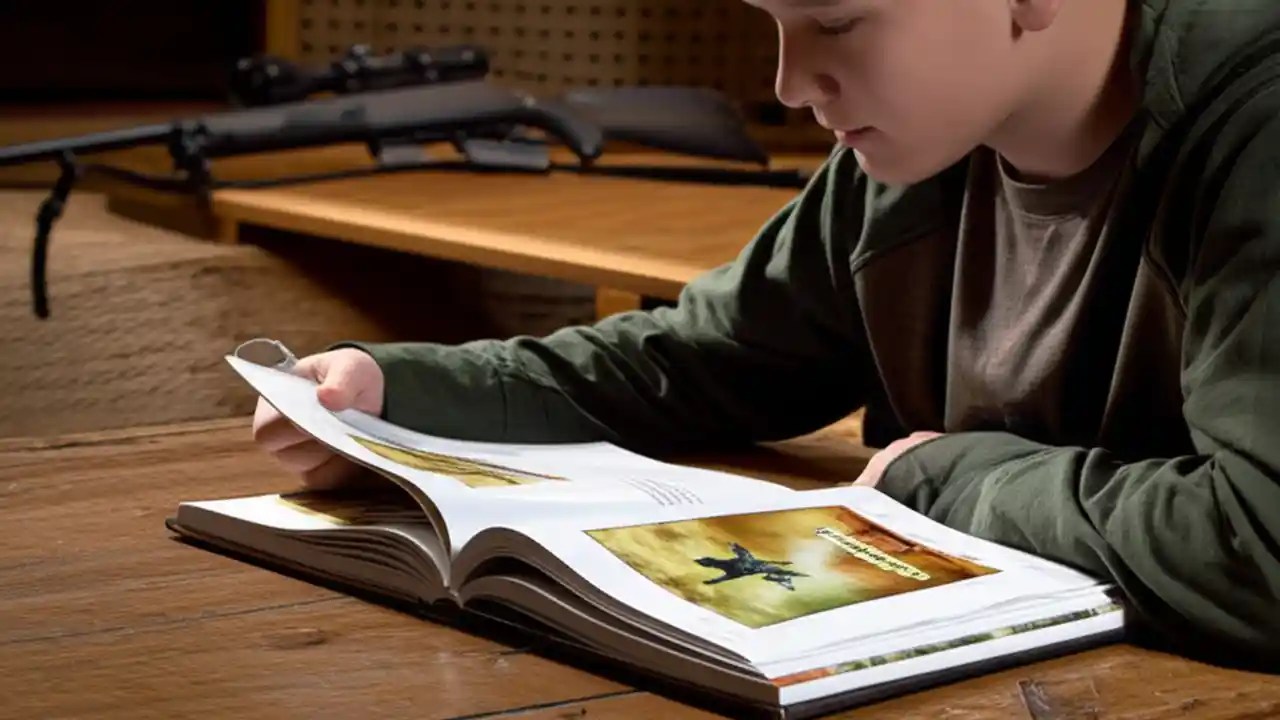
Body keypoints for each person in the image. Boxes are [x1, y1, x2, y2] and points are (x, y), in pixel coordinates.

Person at [252, 0, 1280, 661]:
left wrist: (950, 484)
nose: (788, 84)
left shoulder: (1256, 129)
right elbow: (707, 358)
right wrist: (397, 398)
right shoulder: (912, 154)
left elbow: (1262, 551)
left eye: (834, 22)